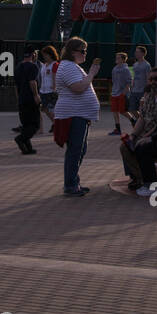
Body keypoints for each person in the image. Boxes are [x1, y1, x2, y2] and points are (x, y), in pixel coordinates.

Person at [54, 37, 101, 196]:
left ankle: (74, 181)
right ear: (73, 52)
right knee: (75, 150)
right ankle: (70, 185)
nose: (85, 54)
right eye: (82, 51)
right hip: (73, 114)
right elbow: (78, 87)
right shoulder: (67, 67)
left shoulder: (71, 66)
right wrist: (92, 74)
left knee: (79, 150)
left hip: (78, 114)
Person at [119, 66, 157, 188]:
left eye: (156, 79)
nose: (153, 82)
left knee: (141, 145)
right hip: (147, 134)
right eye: (151, 79)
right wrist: (133, 135)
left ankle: (146, 180)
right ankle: (138, 177)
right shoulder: (149, 96)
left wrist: (145, 136)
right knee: (126, 145)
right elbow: (142, 118)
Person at [13, 48, 41, 155]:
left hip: (22, 100)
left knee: (26, 124)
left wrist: (18, 98)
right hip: (30, 99)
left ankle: (28, 148)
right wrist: (36, 95)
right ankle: (20, 139)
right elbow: (32, 82)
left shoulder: (18, 67)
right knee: (35, 125)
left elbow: (16, 86)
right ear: (33, 55)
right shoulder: (33, 66)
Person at [109, 52, 132, 135]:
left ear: (123, 60)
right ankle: (118, 129)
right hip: (114, 93)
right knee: (114, 111)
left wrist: (124, 93)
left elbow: (129, 82)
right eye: (116, 57)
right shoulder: (114, 69)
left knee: (122, 111)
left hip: (122, 94)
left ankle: (133, 121)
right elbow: (114, 81)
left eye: (118, 58)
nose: (116, 59)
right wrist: (113, 91)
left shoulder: (126, 69)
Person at [38, 45, 59, 125]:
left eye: (45, 55)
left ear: (50, 54)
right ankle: (55, 123)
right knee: (44, 109)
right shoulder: (44, 65)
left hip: (51, 91)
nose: (44, 57)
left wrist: (54, 88)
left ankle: (56, 124)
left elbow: (55, 77)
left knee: (51, 109)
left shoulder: (54, 65)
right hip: (43, 90)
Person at [128, 45, 151, 120]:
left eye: (137, 52)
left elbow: (148, 79)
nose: (136, 53)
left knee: (142, 110)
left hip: (142, 91)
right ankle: (140, 122)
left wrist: (146, 91)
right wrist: (131, 88)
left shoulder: (147, 65)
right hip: (134, 90)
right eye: (135, 52)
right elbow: (133, 77)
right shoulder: (135, 64)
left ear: (143, 53)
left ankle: (141, 124)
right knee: (132, 109)